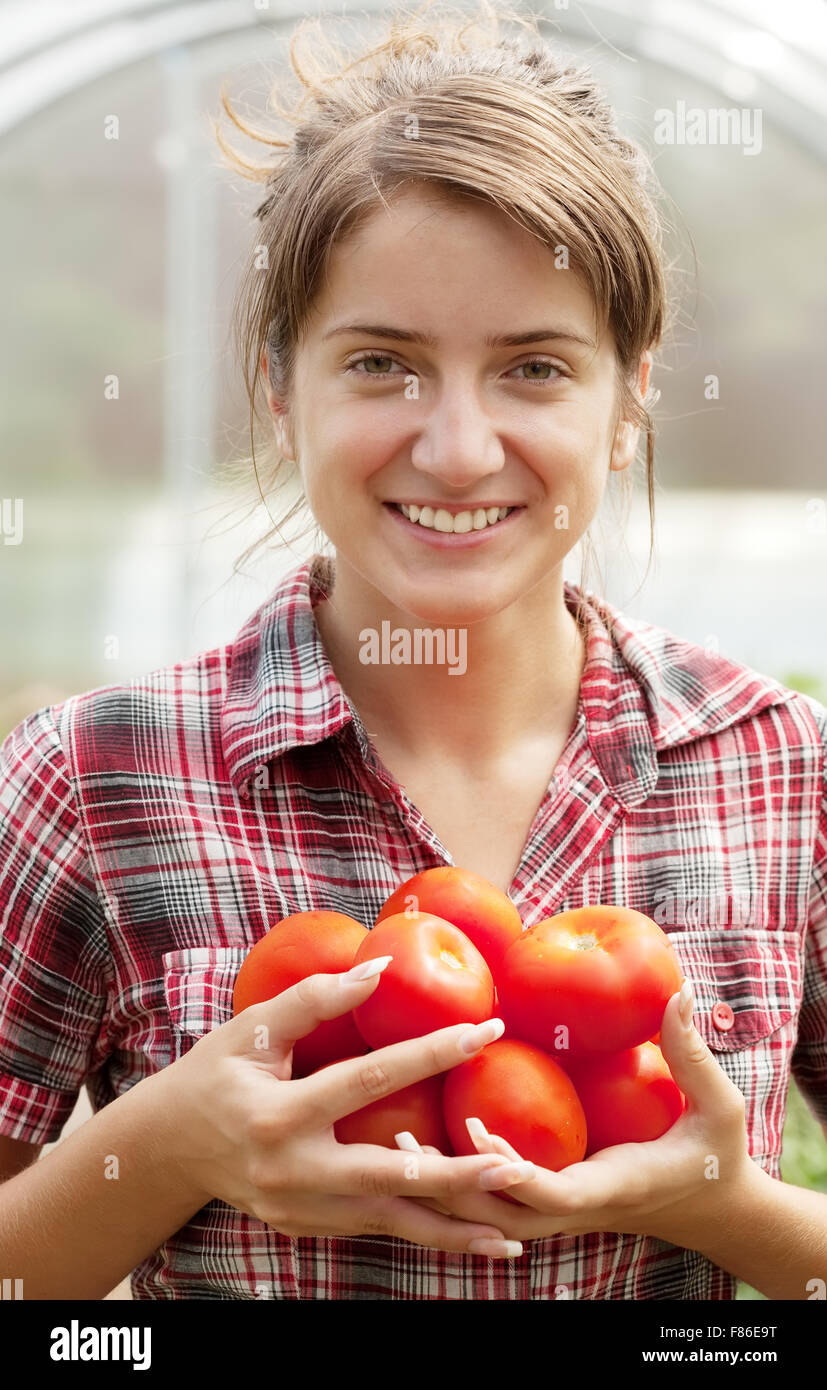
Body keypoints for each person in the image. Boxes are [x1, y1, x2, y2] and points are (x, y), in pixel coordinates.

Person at [1, 1, 825, 1301]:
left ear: (631, 398)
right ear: (281, 387)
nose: (455, 448)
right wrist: (169, 1146)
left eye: (535, 369)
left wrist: (734, 1212)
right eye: (383, 363)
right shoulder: (94, 778)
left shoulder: (778, 766)